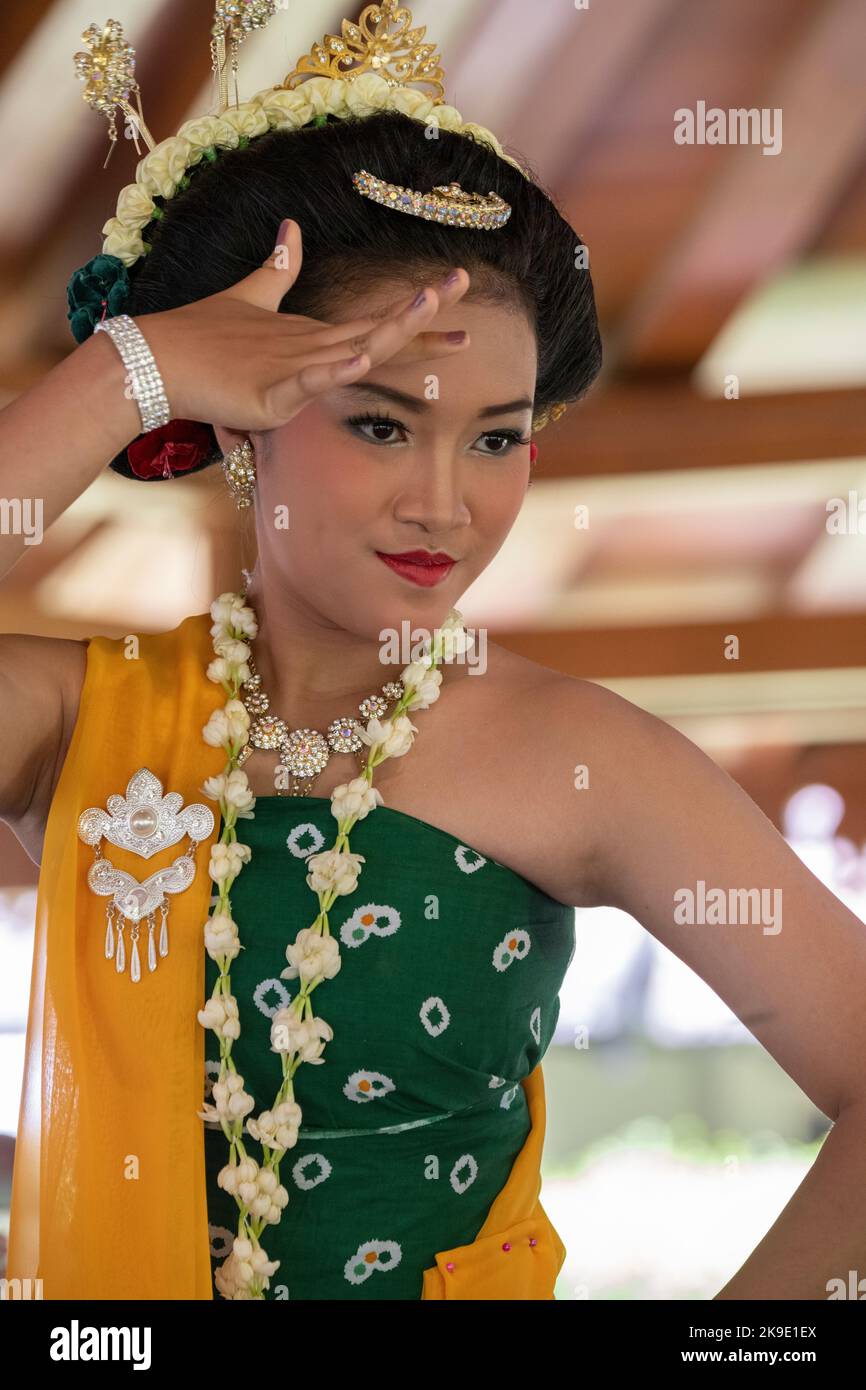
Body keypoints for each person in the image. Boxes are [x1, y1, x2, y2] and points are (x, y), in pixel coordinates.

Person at [2, 4, 866, 1303]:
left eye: (495, 437)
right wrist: (139, 366)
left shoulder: (575, 757)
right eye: (379, 422)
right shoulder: (78, 715)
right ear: (243, 421)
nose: (444, 503)